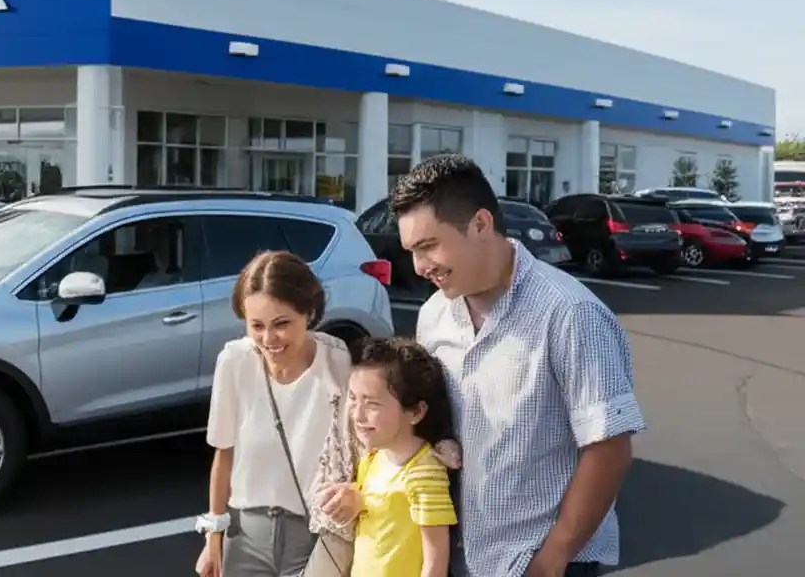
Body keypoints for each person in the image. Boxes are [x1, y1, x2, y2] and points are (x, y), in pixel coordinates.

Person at [389, 153, 646, 577]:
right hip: (459, 557)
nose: (419, 267)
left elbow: (609, 448)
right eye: (411, 251)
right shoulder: (434, 315)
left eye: (428, 245)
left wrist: (553, 558)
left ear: (480, 224)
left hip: (542, 562)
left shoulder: (570, 313)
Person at [195, 250, 354, 577]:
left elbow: (358, 449)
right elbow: (223, 454)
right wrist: (213, 537)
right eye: (256, 325)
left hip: (314, 533)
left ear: (309, 312)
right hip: (245, 535)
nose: (269, 339)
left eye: (282, 324)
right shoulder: (234, 362)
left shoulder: (336, 361)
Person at [316, 337, 459, 577]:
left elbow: (435, 564)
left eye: (372, 404)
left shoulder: (425, 472)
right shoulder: (374, 456)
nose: (358, 415)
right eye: (353, 398)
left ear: (415, 411)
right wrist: (354, 499)